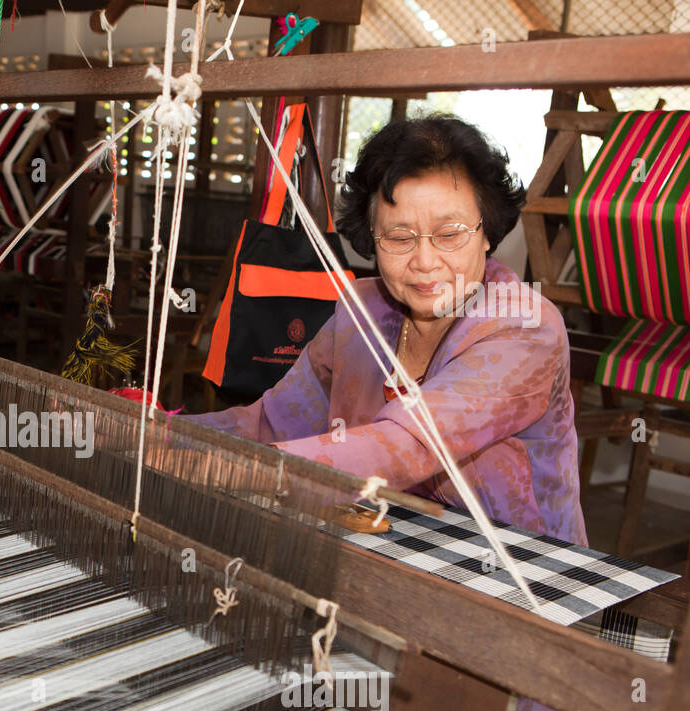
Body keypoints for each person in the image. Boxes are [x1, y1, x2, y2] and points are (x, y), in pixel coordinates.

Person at [187, 114, 585, 548]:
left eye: (449, 234)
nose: (426, 261)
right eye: (399, 237)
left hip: (520, 572)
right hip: (387, 546)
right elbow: (273, 423)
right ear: (372, 238)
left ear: (486, 232)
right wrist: (166, 440)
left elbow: (406, 444)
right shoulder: (363, 310)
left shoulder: (526, 326)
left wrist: (231, 470)